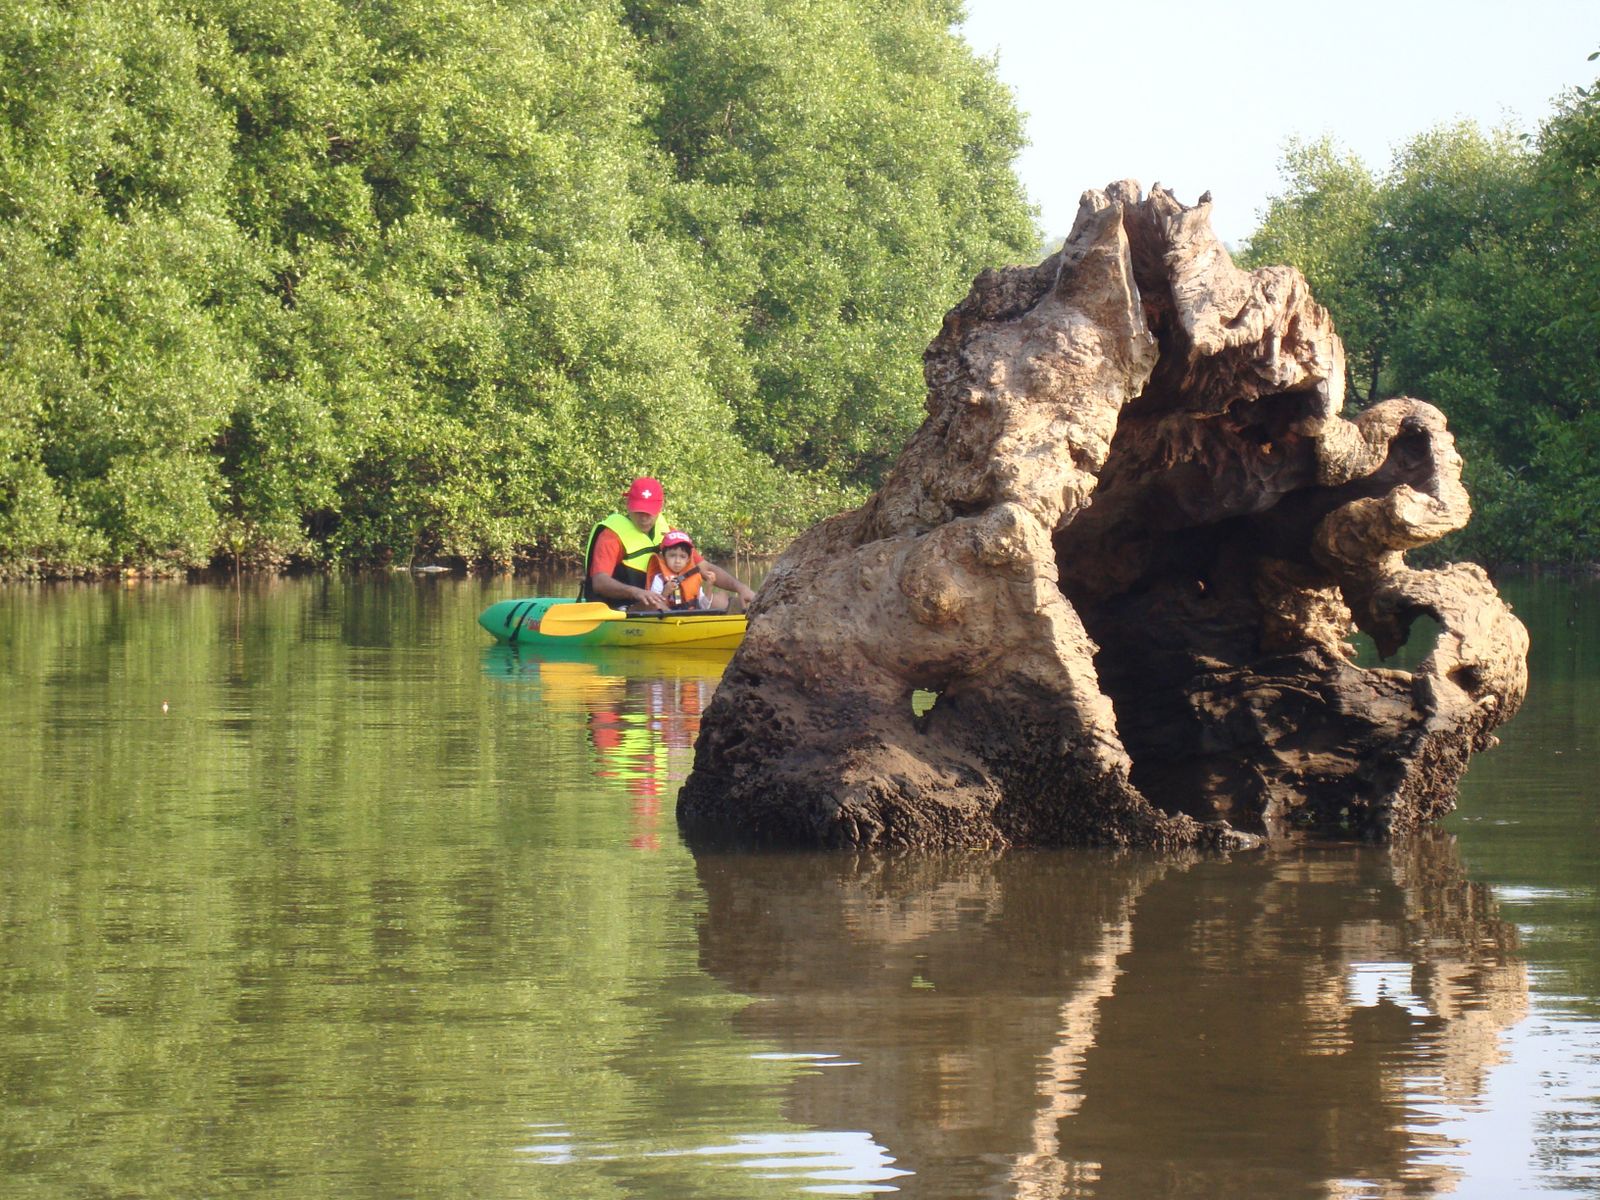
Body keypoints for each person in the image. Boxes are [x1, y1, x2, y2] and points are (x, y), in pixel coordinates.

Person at [582, 477, 756, 611]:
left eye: (650, 512)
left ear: (660, 508)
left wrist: (740, 587)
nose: (644, 518)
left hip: (667, 604)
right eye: (639, 511)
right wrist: (636, 592)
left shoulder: (669, 532)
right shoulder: (611, 536)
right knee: (656, 605)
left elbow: (704, 566)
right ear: (628, 505)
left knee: (722, 599)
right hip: (623, 607)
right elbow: (600, 582)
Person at [646, 530, 713, 611]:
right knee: (657, 603)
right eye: (672, 555)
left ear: (688, 559)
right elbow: (653, 606)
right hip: (669, 619)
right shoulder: (659, 579)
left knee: (721, 596)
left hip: (691, 617)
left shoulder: (694, 577)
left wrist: (709, 586)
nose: (677, 561)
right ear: (664, 557)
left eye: (682, 556)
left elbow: (704, 607)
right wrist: (665, 593)